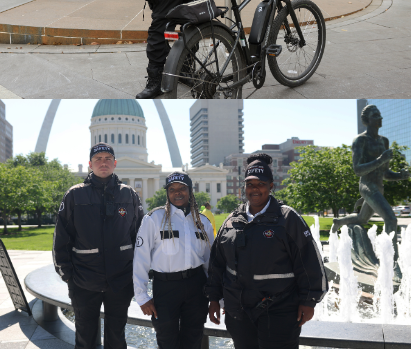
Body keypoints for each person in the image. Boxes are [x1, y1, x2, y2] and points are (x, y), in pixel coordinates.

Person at [205, 154, 328, 349]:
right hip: (239, 313)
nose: (255, 189)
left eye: (261, 184)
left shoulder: (287, 219)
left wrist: (309, 301)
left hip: (279, 312)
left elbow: (308, 261)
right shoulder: (232, 221)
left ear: (271, 186)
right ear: (244, 188)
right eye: (250, 184)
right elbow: (217, 264)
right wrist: (213, 299)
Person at [53, 143, 144, 349]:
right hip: (84, 281)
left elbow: (140, 237)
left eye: (108, 159)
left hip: (120, 281)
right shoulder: (74, 195)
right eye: (98, 159)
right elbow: (62, 238)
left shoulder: (129, 195)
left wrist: (137, 273)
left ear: (115, 163)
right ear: (90, 164)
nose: (103, 163)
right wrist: (68, 276)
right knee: (85, 337)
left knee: (117, 337)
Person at [133, 172, 214, 349]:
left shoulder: (203, 222)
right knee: (166, 340)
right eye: (172, 189)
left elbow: (210, 262)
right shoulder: (154, 219)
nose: (177, 192)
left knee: (193, 339)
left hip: (197, 287)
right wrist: (142, 297)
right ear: (167, 193)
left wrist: (215, 297)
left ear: (190, 191)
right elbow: (140, 259)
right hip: (166, 288)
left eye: (182, 188)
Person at [333, 104, 409, 250]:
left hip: (379, 187)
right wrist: (380, 160)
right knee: (391, 219)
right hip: (367, 186)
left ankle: (339, 222)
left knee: (362, 219)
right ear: (366, 120)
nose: (380, 118)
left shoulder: (384, 141)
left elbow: (385, 173)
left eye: (379, 115)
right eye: (375, 115)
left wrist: (400, 176)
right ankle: (392, 259)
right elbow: (357, 170)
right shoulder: (360, 140)